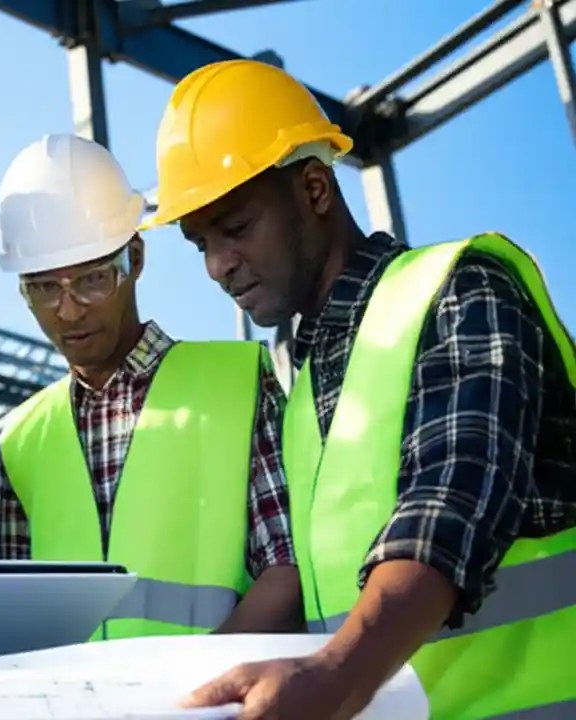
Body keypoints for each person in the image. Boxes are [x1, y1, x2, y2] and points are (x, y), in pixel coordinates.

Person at [145, 59, 576, 719]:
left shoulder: (459, 291)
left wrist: (335, 673)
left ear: (315, 190)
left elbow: (449, 508)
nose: (216, 266)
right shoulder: (306, 393)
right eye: (199, 242)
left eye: (235, 228)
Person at [0, 133, 303, 640]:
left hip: (214, 689)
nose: (68, 311)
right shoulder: (23, 439)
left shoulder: (237, 384)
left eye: (92, 280)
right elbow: (12, 620)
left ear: (135, 259)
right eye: (44, 288)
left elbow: (289, 568)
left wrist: (189, 688)